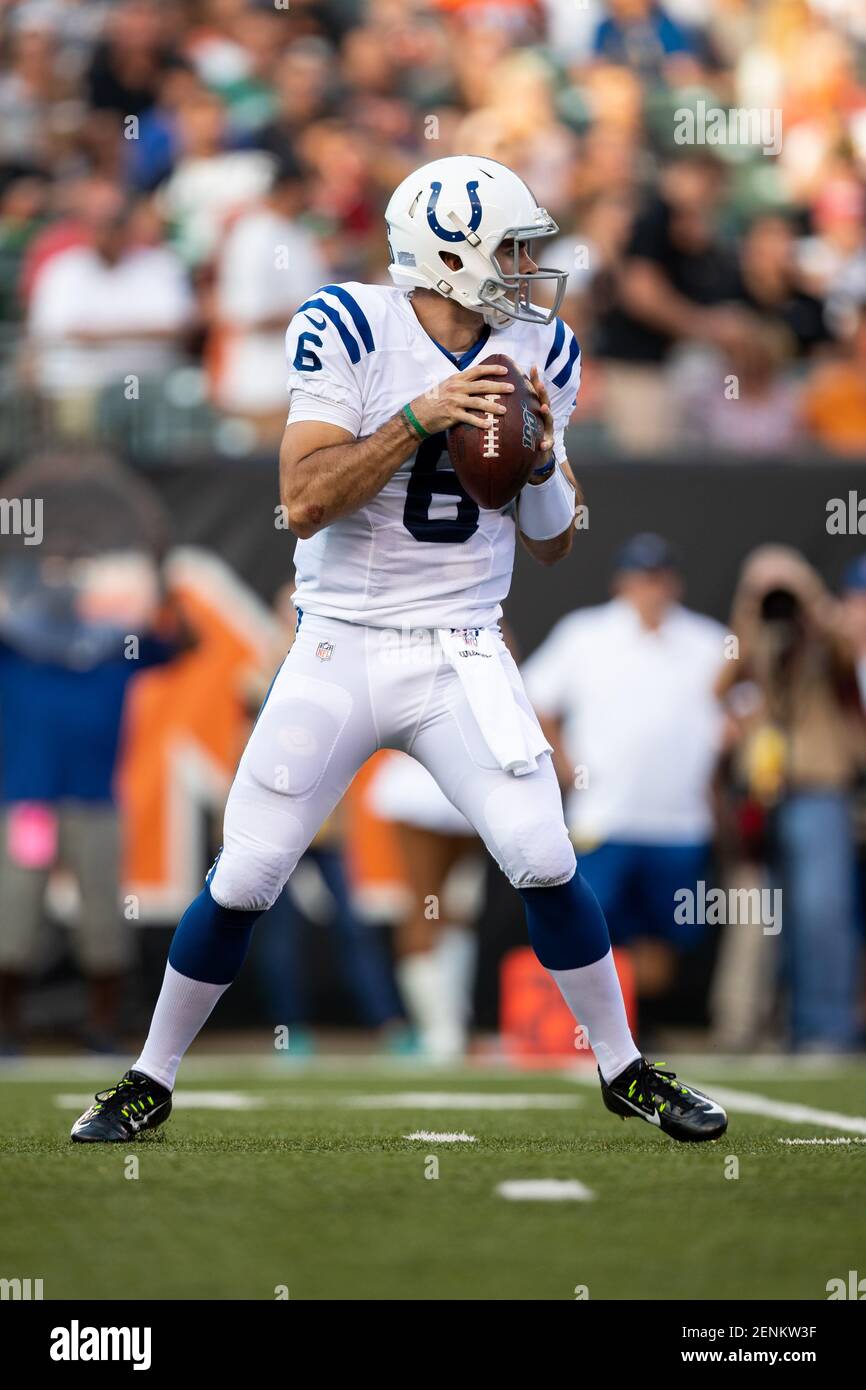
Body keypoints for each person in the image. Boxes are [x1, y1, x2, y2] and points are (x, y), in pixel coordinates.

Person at [72, 154, 727, 1144]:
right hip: (341, 642)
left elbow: (550, 538)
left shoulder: (541, 345)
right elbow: (302, 500)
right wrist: (419, 418)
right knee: (246, 873)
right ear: (450, 253)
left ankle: (622, 1067)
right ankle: (149, 1077)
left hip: (463, 644)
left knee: (544, 857)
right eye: (510, 247)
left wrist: (544, 460)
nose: (525, 265)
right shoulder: (349, 324)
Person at [523, 534, 727, 1012]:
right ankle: (608, 1029)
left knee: (665, 937)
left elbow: (740, 711)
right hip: (604, 815)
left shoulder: (708, 641)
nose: (650, 590)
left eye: (658, 579)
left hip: (679, 819)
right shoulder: (585, 634)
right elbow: (537, 698)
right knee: (595, 924)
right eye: (642, 579)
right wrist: (565, 767)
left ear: (672, 584)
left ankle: (642, 1028)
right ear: (623, 583)